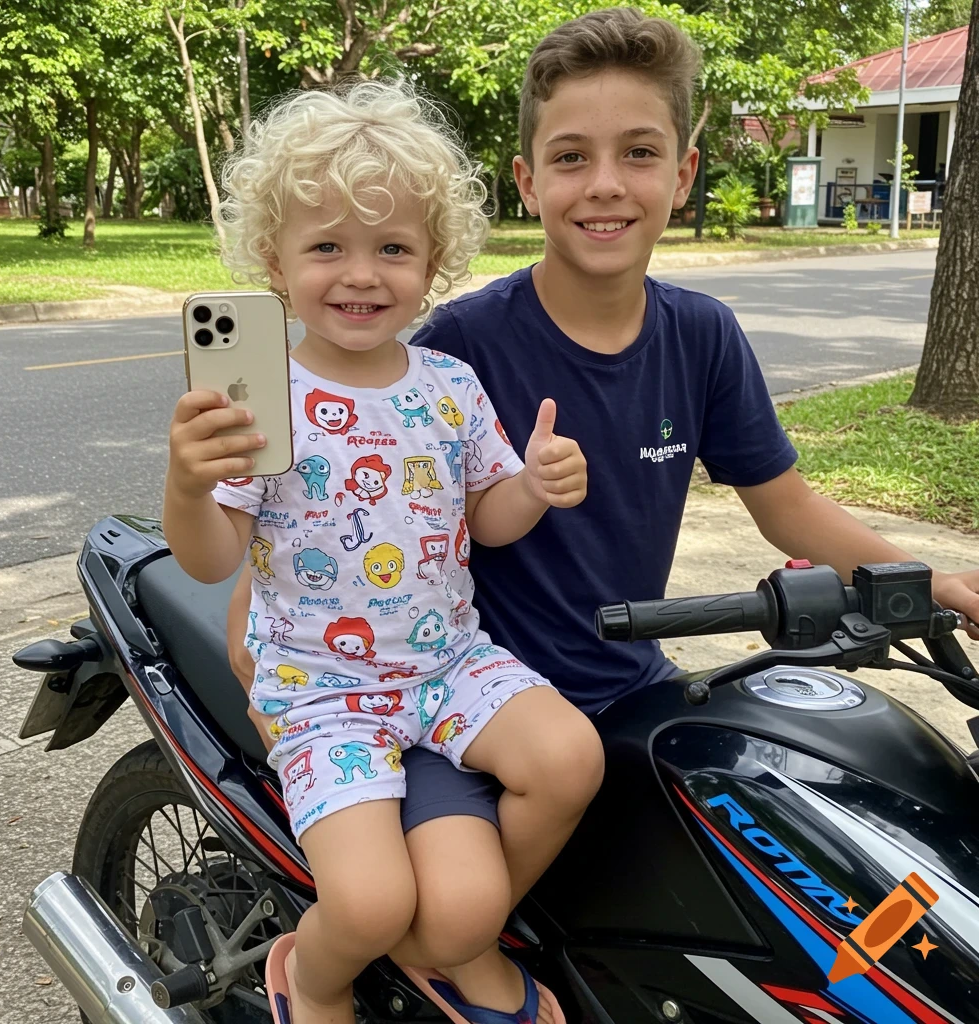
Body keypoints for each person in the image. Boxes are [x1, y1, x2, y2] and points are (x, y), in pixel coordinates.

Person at [228, 5, 979, 1021]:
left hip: (620, 688)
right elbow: (322, 500)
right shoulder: (452, 346)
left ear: (682, 171)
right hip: (463, 705)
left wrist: (925, 580)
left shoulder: (702, 335)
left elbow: (785, 500)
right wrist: (255, 639)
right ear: (530, 179)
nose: (606, 185)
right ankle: (409, 957)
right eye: (572, 157)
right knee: (451, 914)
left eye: (639, 152)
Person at [164, 79, 602, 1024]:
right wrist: (191, 483)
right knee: (366, 904)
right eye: (326, 246)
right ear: (273, 261)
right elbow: (208, 561)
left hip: (449, 663)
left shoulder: (448, 382)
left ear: (433, 262)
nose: (361, 274)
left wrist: (532, 485)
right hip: (321, 691)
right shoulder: (261, 399)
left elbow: (485, 516)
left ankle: (454, 948)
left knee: (569, 759)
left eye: (393, 248)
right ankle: (312, 977)